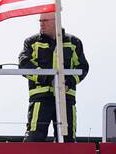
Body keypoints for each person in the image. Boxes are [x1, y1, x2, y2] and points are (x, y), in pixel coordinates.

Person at [19, 13, 88, 141]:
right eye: (40, 21)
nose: (41, 23)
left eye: (45, 20)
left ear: (56, 21)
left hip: (65, 97)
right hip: (40, 98)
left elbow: (83, 68)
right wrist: (48, 79)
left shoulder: (73, 42)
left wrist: (67, 82)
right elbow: (24, 65)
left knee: (67, 139)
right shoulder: (32, 42)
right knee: (34, 138)